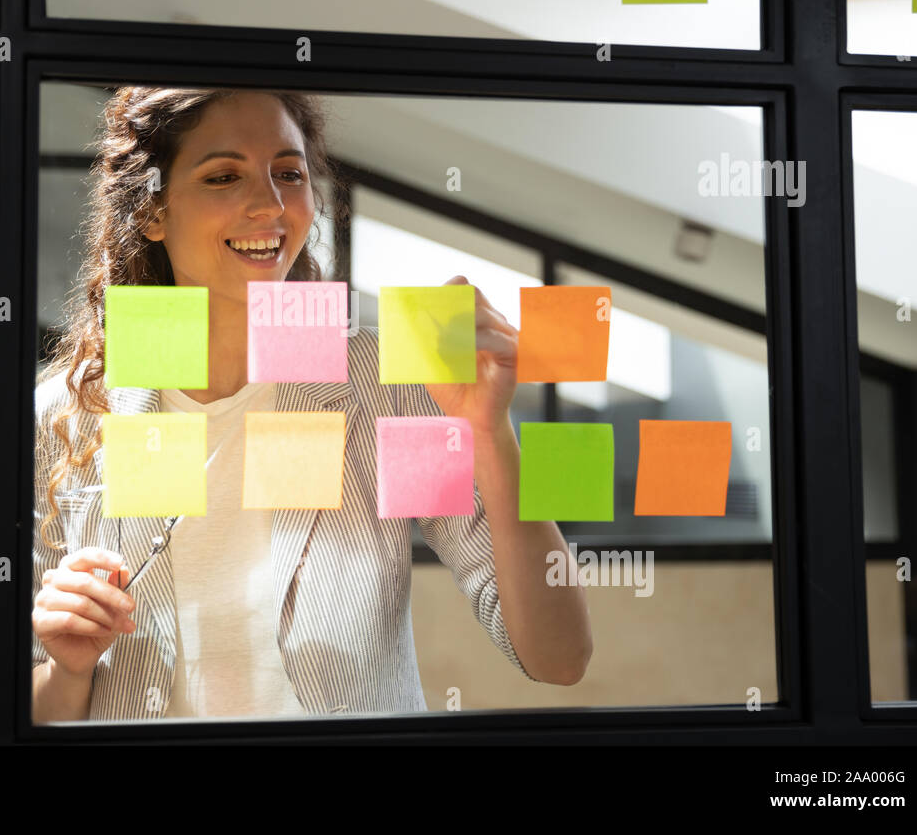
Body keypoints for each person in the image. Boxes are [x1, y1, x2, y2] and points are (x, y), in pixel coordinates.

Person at [31, 86, 592, 723]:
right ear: (153, 211)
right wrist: (69, 668)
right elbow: (35, 713)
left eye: (288, 174)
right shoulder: (70, 415)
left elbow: (559, 657)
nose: (269, 204)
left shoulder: (385, 383)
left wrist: (490, 433)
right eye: (223, 176)